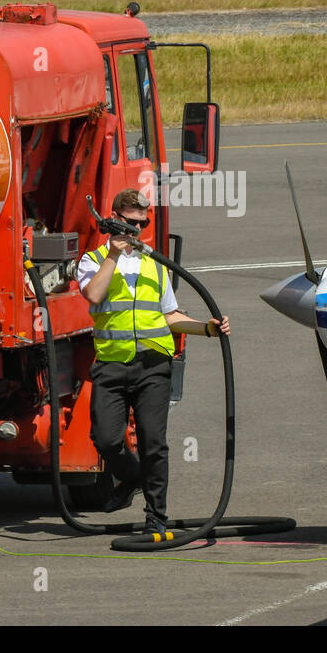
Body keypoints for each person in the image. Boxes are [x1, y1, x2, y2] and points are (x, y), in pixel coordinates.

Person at [76, 189, 229, 534]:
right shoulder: (92, 260)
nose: (136, 231)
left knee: (152, 440)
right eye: (130, 223)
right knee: (106, 439)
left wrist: (207, 328)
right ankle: (133, 479)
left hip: (153, 366)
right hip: (112, 364)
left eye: (142, 224)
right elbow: (94, 294)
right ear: (113, 218)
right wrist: (113, 257)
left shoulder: (156, 266)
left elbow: (171, 316)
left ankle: (156, 517)